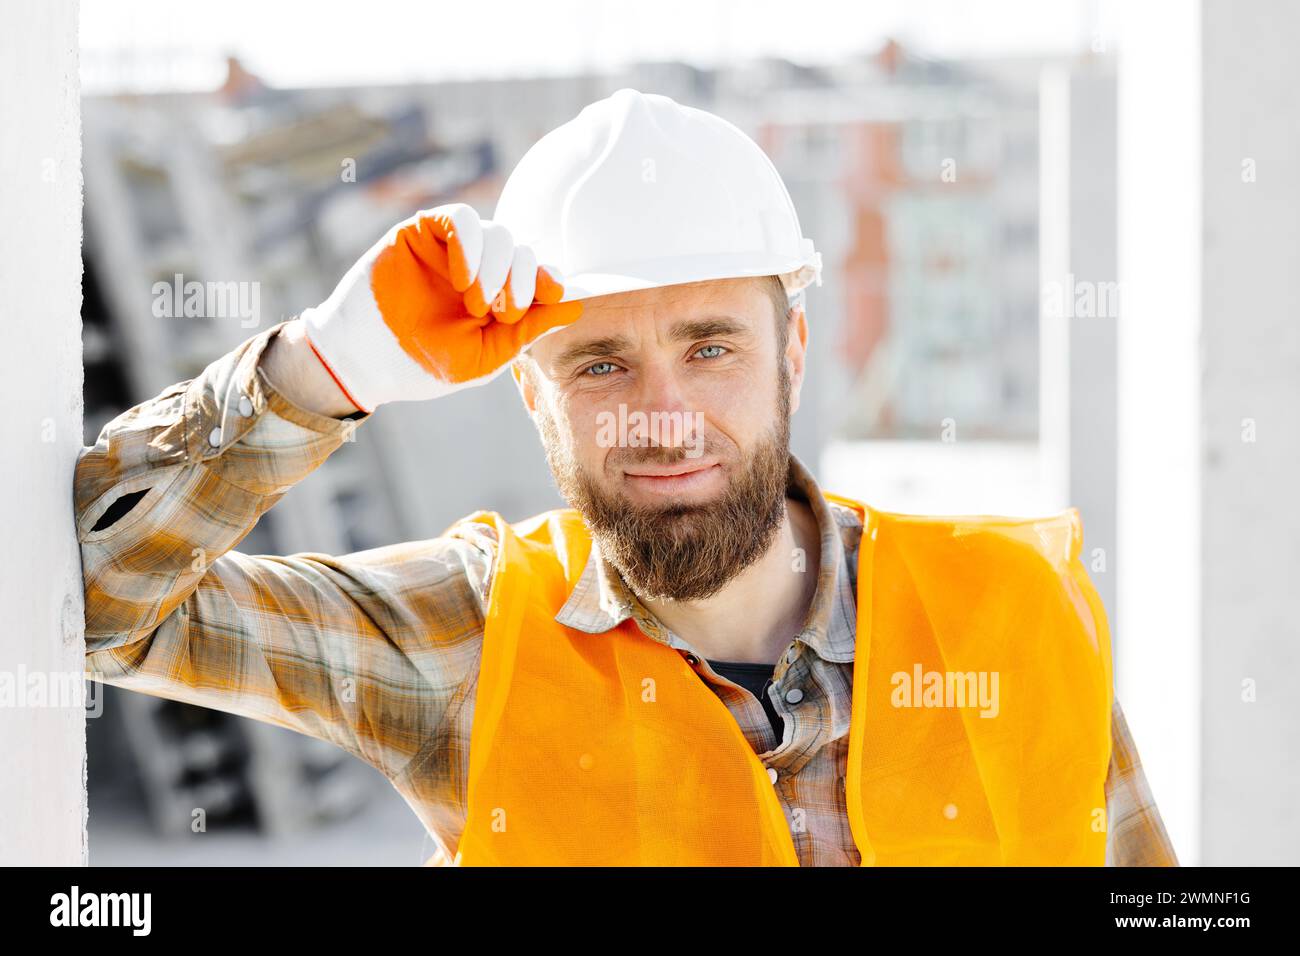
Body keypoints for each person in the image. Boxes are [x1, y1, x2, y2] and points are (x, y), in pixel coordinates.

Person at [77, 89, 1177, 866]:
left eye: (710, 347)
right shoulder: (466, 637)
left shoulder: (1014, 611)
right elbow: (87, 602)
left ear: (792, 350)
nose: (662, 413)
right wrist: (317, 373)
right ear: (528, 391)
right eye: (599, 363)